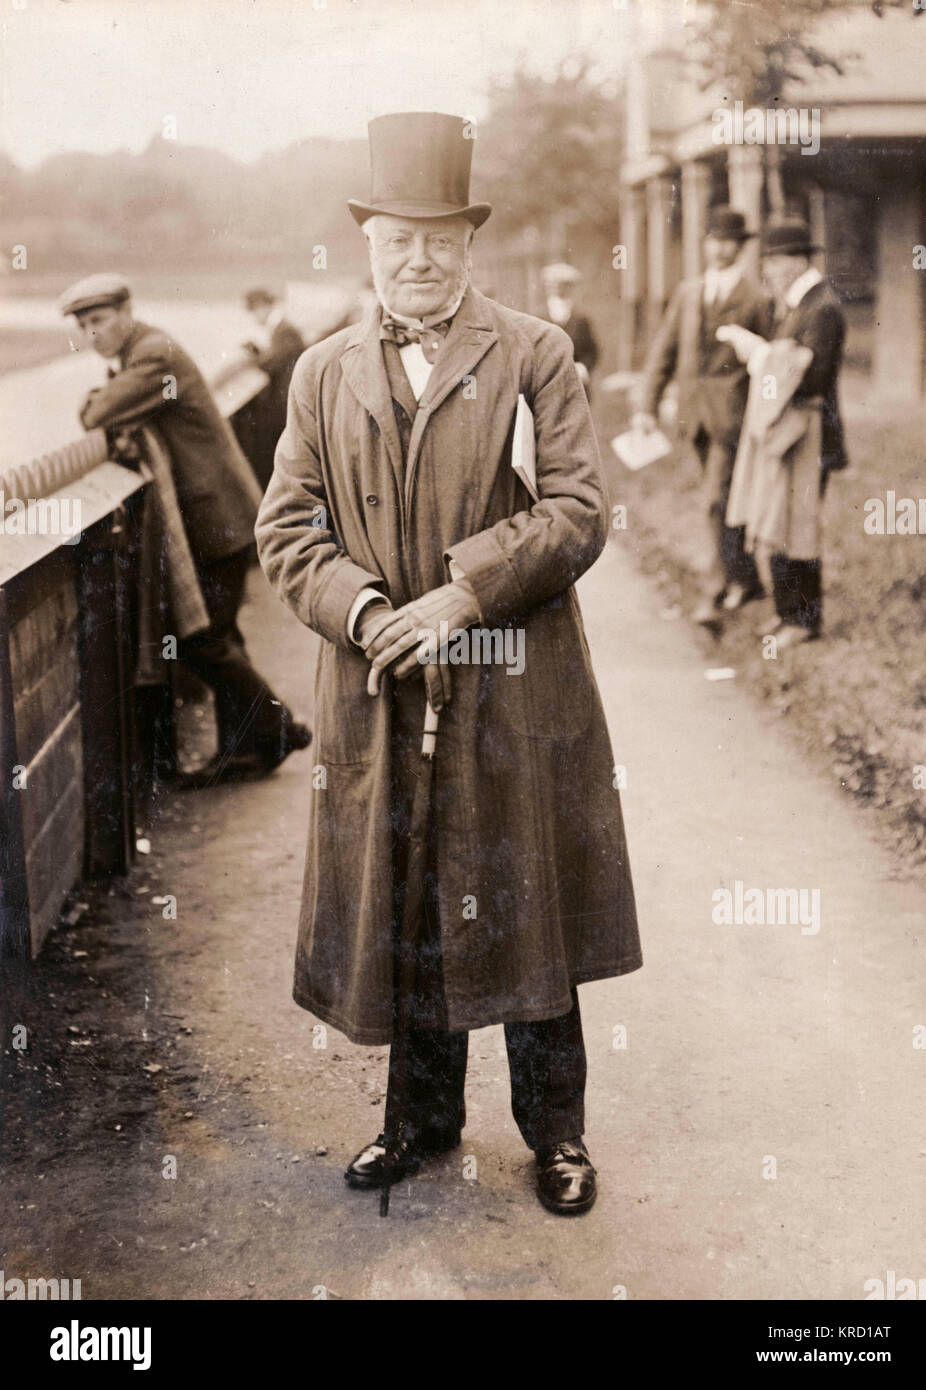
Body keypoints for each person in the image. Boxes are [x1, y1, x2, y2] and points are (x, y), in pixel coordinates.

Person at [255, 111, 642, 1216]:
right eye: (396, 239)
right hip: (377, 682)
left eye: (438, 239)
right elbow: (287, 529)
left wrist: (463, 591)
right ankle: (417, 1123)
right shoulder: (322, 372)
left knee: (528, 900)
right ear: (367, 243)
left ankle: (557, 1134)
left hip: (515, 680)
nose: (416, 259)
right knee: (408, 896)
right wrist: (366, 607)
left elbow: (577, 512)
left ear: (468, 246)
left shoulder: (533, 353)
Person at [61, 274, 311, 784]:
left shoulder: (153, 355)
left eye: (100, 320)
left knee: (201, 639)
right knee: (222, 633)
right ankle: (247, 748)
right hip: (222, 512)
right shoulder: (145, 352)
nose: (93, 334)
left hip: (216, 517)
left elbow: (96, 414)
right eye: (85, 326)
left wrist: (97, 396)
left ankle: (277, 725)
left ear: (127, 312)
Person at [634, 206, 773, 625]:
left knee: (716, 499)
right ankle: (745, 579)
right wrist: (647, 406)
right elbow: (664, 351)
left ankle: (714, 594)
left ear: (741, 247)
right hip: (693, 417)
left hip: (735, 418)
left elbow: (768, 361)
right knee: (725, 501)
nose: (719, 247)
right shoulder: (690, 292)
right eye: (713, 239)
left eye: (728, 240)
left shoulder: (757, 297)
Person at [722, 217, 847, 650]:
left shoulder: (822, 307)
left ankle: (804, 621)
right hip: (790, 434)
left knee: (800, 528)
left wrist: (759, 354)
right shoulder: (798, 304)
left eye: (774, 262)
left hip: (811, 436)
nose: (769, 271)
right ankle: (786, 613)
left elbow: (809, 375)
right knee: (780, 521)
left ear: (794, 261)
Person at [239, 288, 306, 489]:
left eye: (254, 311)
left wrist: (253, 355)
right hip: (283, 401)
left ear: (264, 307)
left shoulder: (285, 330)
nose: (254, 317)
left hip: (283, 404)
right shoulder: (282, 329)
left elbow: (272, 363)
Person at [540, 263, 599, 399]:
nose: (558, 289)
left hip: (576, 384)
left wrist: (583, 367)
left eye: (563, 285)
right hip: (546, 384)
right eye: (553, 284)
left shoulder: (580, 319)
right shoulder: (539, 316)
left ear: (570, 288)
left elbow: (592, 351)